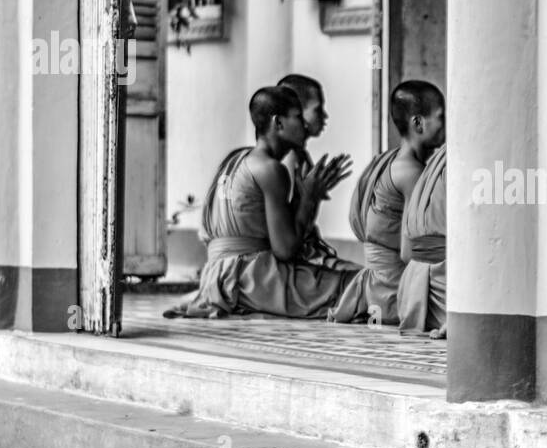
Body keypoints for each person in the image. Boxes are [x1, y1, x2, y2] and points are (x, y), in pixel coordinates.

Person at [164, 86, 353, 319]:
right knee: (356, 286)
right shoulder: (270, 169)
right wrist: (309, 198)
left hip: (215, 275)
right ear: (278, 122)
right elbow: (285, 250)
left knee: (346, 279)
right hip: (252, 278)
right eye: (297, 117)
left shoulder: (234, 159)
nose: (304, 125)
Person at [331, 80, 445, 325]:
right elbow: (409, 253)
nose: (447, 124)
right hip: (396, 291)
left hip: (372, 287)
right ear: (418, 123)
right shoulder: (412, 173)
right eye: (441, 117)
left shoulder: (385, 161)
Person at [275, 74, 357, 272]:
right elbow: (287, 238)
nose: (325, 117)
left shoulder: (300, 155)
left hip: (308, 253)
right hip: (294, 263)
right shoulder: (289, 160)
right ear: (297, 113)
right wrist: (310, 197)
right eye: (318, 110)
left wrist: (317, 191)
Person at [397, 143, 447, 338]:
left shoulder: (432, 164)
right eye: (440, 117)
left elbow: (405, 253)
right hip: (442, 289)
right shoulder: (413, 171)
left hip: (410, 294)